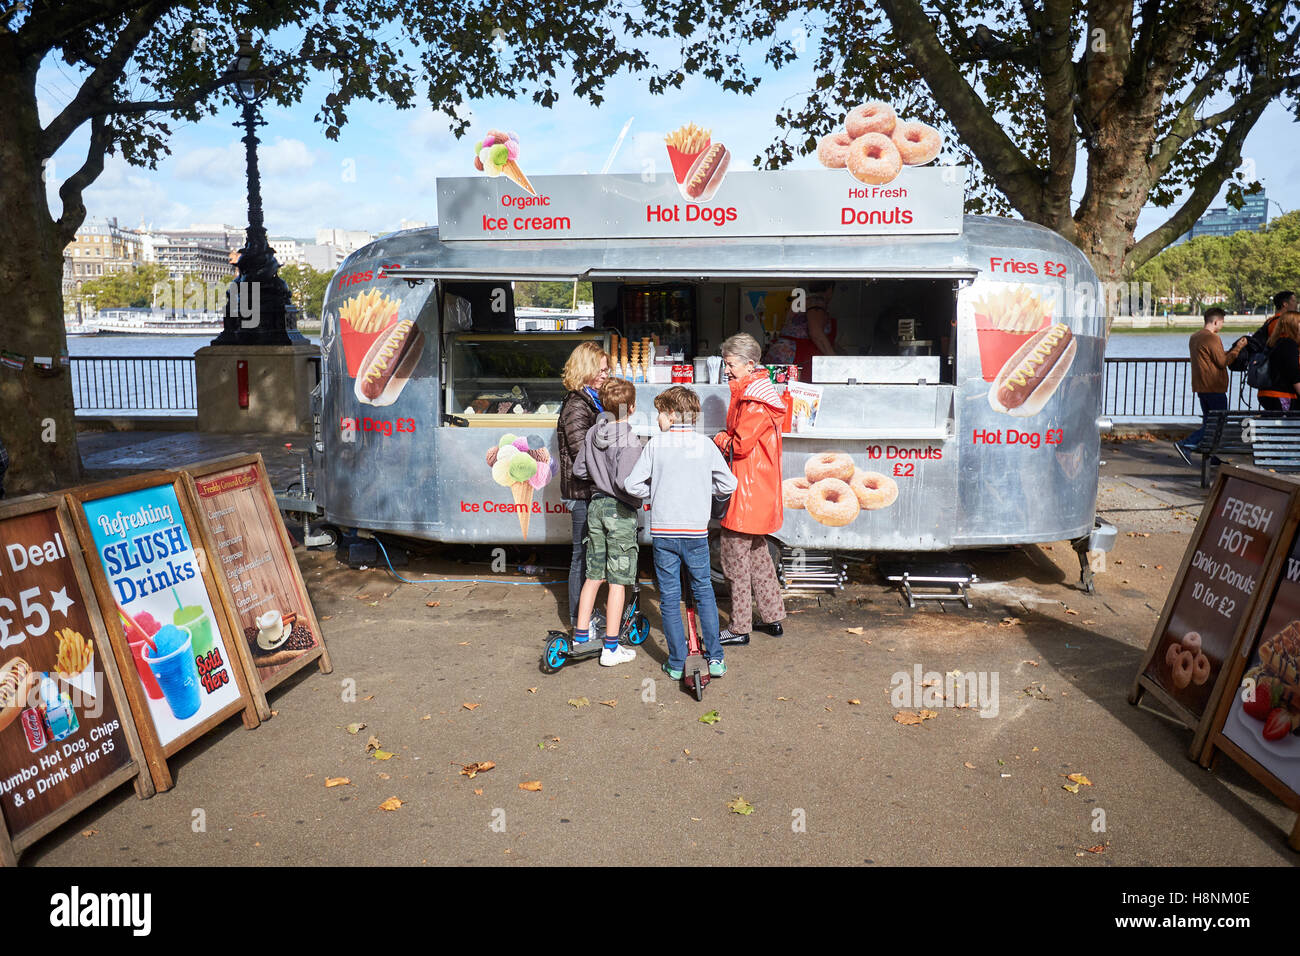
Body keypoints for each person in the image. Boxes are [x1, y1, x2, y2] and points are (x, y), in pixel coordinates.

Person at [625, 386, 737, 680]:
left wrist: (655, 493)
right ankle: (715, 659)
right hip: (696, 534)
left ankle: (676, 662)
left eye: (660, 413)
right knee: (704, 593)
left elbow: (632, 485)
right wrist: (702, 490)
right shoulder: (705, 445)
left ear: (672, 415)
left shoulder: (655, 445)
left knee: (670, 598)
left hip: (664, 535)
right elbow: (729, 485)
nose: (658, 420)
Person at [713, 332, 786, 645]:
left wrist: (718, 438)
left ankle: (739, 627)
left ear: (749, 364)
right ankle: (772, 617)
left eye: (730, 364)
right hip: (759, 489)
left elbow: (739, 446)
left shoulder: (753, 401)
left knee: (734, 560)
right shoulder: (760, 394)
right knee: (758, 557)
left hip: (746, 491)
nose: (727, 369)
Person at [571, 377, 646, 666]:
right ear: (632, 407)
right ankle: (611, 649)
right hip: (620, 510)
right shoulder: (630, 440)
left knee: (594, 575)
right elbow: (626, 483)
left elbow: (580, 469)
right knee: (618, 581)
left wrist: (598, 472)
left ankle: (580, 637)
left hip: (596, 507)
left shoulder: (592, 433)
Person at [557, 341, 609, 632]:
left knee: (589, 556)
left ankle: (587, 612)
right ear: (585, 369)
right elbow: (581, 455)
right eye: (600, 370)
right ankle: (581, 618)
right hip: (582, 493)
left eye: (606, 369)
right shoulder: (578, 405)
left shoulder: (593, 399)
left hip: (591, 491)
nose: (605, 374)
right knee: (581, 556)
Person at [1174, 308, 1248, 465]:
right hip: (1214, 387)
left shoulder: (1195, 337)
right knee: (1217, 423)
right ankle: (1185, 444)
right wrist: (1238, 348)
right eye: (1221, 322)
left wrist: (1229, 351)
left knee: (1209, 421)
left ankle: (1210, 456)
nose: (1221, 325)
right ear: (1216, 321)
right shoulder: (1212, 338)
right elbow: (1222, 362)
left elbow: (1213, 357)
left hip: (1201, 386)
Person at [764, 281, 837, 379]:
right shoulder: (817, 302)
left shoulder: (804, 300)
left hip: (782, 355)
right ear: (830, 289)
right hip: (793, 357)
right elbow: (816, 333)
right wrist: (834, 359)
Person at [1254, 291, 1297, 410]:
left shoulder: (1270, 321)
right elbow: (1286, 355)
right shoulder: (1281, 325)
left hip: (1270, 385)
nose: (1296, 304)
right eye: (1294, 301)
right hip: (1281, 387)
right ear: (1285, 304)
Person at [1265, 312, 1300, 410]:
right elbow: (1294, 373)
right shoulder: (1289, 344)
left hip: (1268, 393)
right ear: (1293, 325)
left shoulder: (1274, 343)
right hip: (1282, 394)